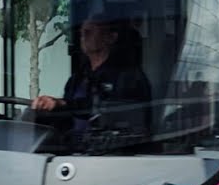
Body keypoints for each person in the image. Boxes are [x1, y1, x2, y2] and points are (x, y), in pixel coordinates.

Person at [32, 13, 152, 145]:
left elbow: (108, 111)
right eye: (83, 30)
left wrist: (63, 104)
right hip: (75, 152)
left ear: (111, 37)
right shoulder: (77, 78)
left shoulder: (129, 76)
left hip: (112, 153)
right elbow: (67, 118)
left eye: (92, 28)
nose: (84, 33)